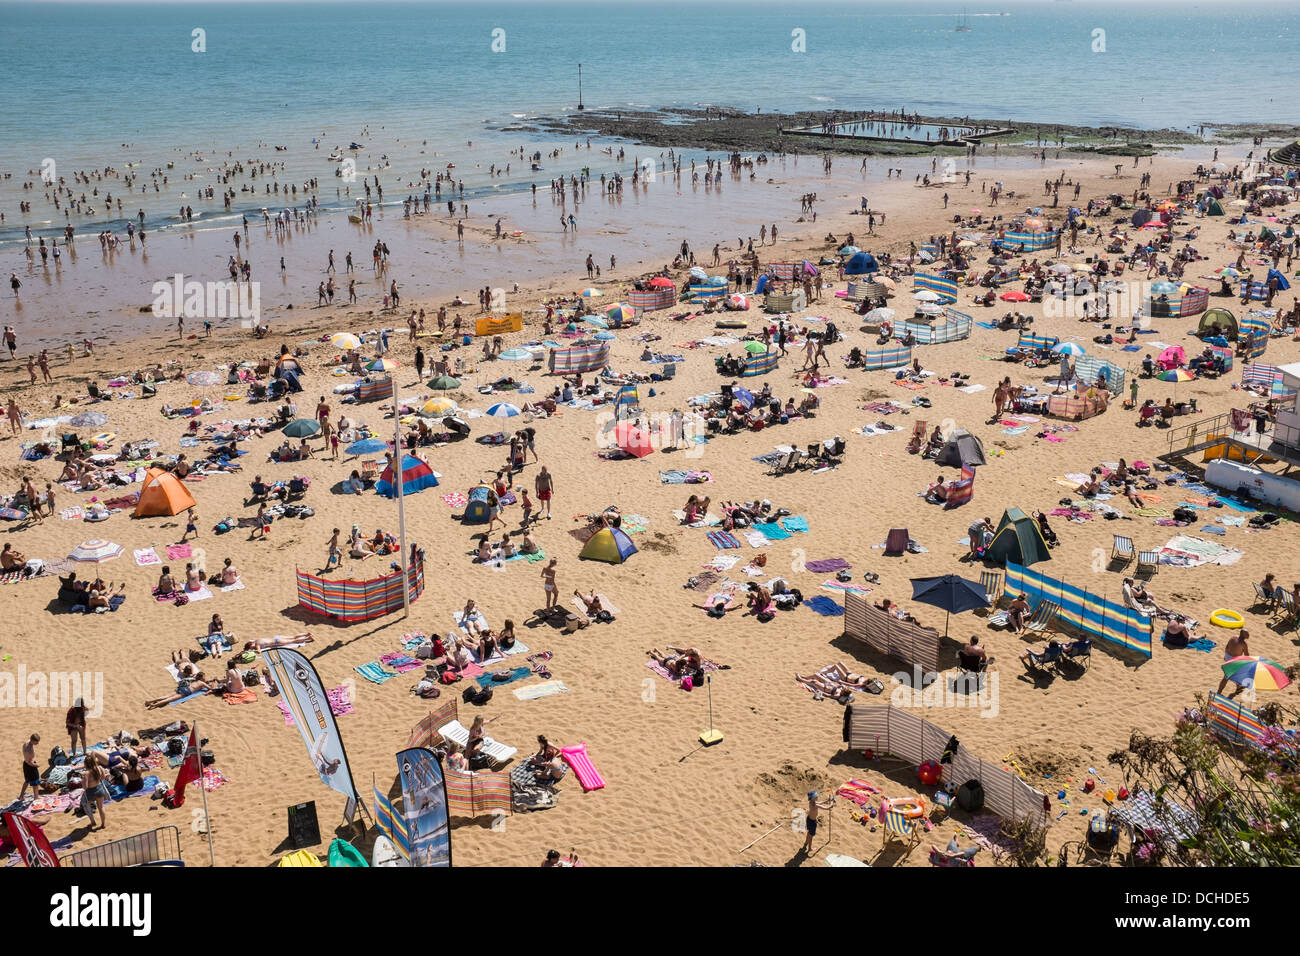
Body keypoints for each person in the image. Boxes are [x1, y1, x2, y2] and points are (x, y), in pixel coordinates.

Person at [1217, 630, 1252, 696]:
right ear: (1243, 635)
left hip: (1228, 657)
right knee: (1226, 677)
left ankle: (1238, 687)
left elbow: (1227, 647)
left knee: (1237, 674)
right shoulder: (1243, 644)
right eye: (1247, 634)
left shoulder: (1233, 637)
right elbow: (1247, 655)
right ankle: (1219, 692)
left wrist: (1226, 657)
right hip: (1233, 661)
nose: (1248, 635)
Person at [18, 733, 41, 802]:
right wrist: (36, 765)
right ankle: (36, 797)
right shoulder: (29, 750)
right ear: (33, 740)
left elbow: (27, 761)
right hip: (30, 766)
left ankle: (21, 796)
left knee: (27, 781)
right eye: (36, 742)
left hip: (25, 764)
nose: (37, 743)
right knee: (35, 781)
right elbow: (29, 762)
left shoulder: (27, 742)